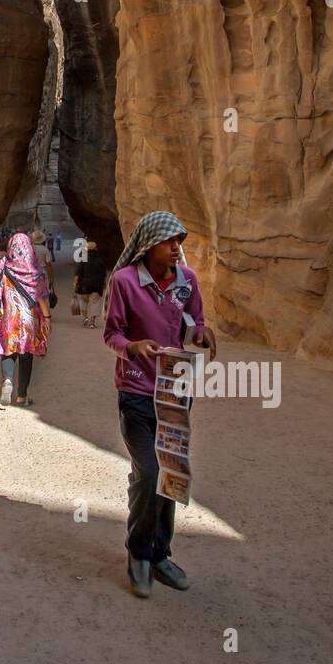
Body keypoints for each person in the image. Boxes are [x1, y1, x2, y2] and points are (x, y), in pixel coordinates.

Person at [102, 211, 216, 599]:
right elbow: (111, 333)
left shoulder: (188, 281)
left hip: (174, 391)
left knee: (171, 474)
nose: (176, 248)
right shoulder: (124, 282)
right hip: (135, 391)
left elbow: (193, 320)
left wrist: (200, 333)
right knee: (148, 472)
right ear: (149, 245)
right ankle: (138, 554)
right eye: (170, 242)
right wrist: (131, 347)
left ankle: (160, 555)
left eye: (178, 241)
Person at [0, 231, 51, 408]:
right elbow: (41, 297)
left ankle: (7, 380)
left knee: (8, 351)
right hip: (30, 321)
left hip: (7, 318)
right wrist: (47, 318)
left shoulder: (2, 266)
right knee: (26, 355)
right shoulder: (34, 269)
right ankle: (22, 396)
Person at [72, 241, 106, 327]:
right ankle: (92, 323)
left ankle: (85, 318)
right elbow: (104, 275)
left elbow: (77, 275)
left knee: (83, 301)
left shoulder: (82, 260)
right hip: (97, 285)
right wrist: (104, 284)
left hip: (84, 286)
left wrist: (75, 285)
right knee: (95, 302)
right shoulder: (100, 261)